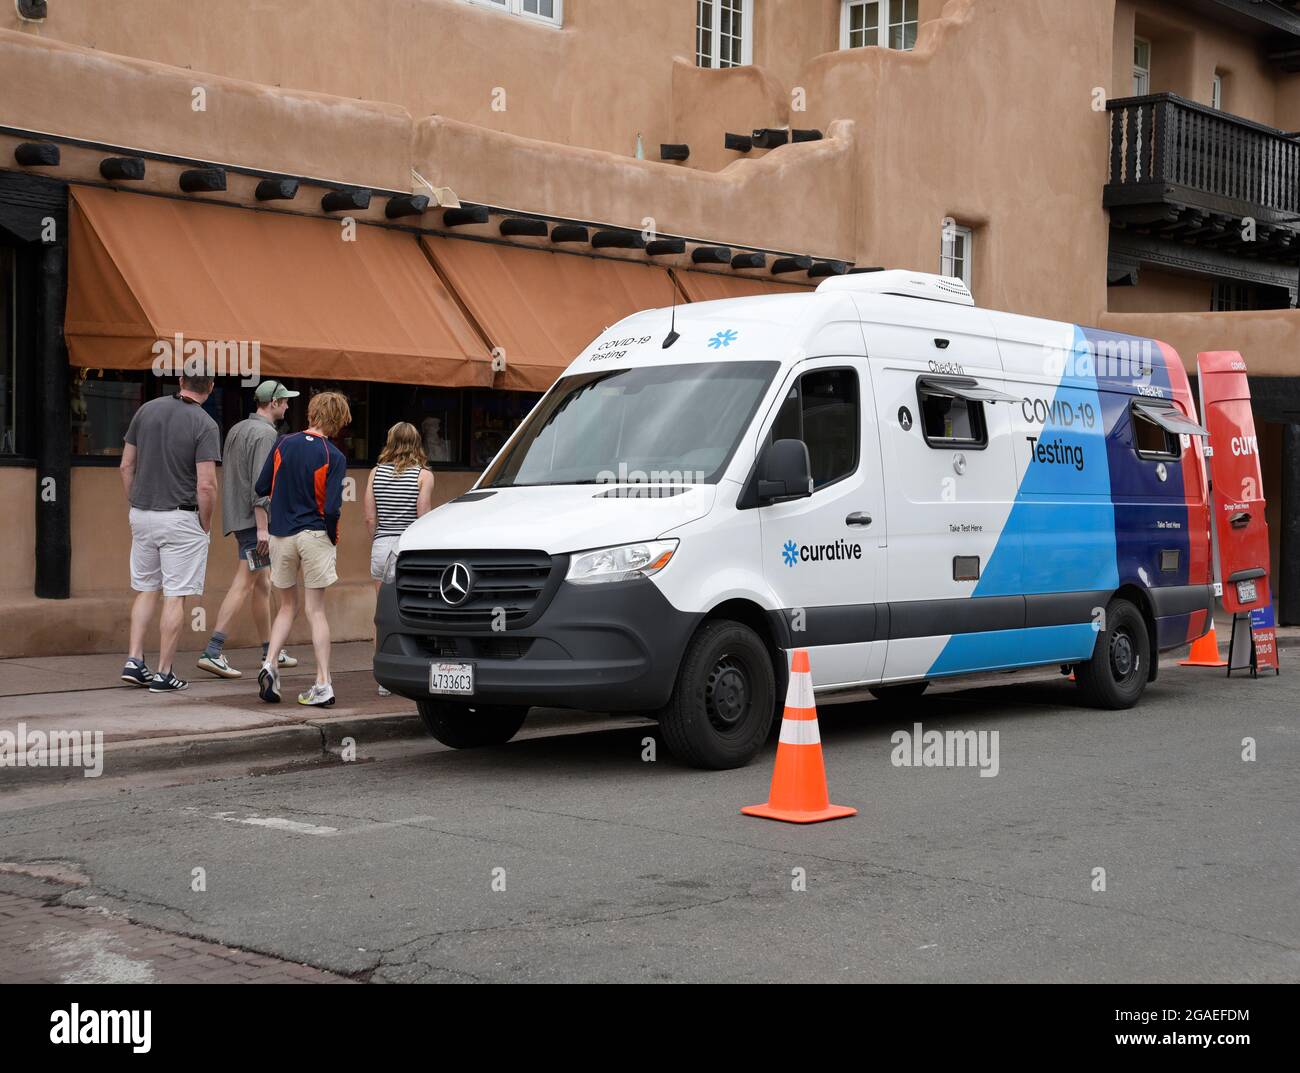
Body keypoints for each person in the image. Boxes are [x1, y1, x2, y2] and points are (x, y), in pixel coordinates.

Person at [118, 375, 221, 693]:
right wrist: (206, 523)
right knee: (174, 595)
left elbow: (125, 466)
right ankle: (164, 673)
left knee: (146, 589)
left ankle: (134, 661)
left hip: (143, 513)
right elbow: (206, 484)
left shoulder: (146, 410)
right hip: (180, 516)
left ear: (180, 380)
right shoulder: (205, 424)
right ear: (211, 387)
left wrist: (136, 502)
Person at [196, 380, 301, 680]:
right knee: (245, 581)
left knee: (261, 584)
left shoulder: (239, 428)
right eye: (284, 400)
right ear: (272, 403)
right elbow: (261, 487)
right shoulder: (266, 434)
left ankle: (270, 648)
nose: (288, 405)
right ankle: (213, 650)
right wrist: (264, 530)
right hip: (255, 524)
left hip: (241, 519)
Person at [254, 391, 351, 707]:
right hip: (315, 534)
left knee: (285, 607)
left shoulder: (284, 443)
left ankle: (270, 663)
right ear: (337, 420)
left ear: (312, 413)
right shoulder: (333, 456)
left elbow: (261, 487)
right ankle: (323, 682)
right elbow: (333, 506)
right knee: (316, 610)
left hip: (281, 534)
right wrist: (332, 536)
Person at [365, 422, 435, 696]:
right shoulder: (423, 475)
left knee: (382, 614)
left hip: (382, 546)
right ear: (417, 442)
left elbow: (370, 517)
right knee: (415, 611)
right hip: (409, 550)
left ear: (390, 441)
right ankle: (413, 669)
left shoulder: (375, 473)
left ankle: (384, 679)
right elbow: (423, 515)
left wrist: (378, 539)